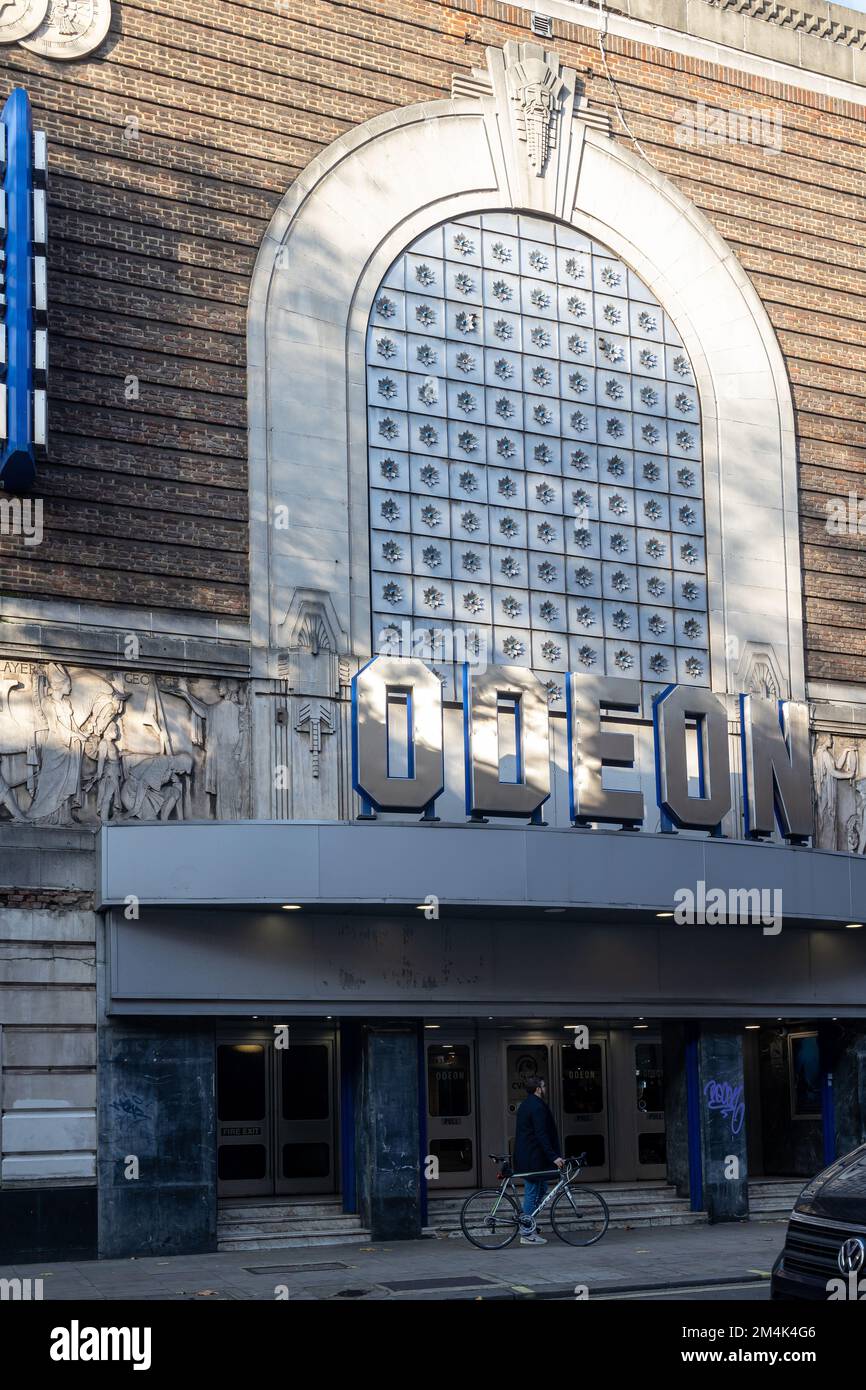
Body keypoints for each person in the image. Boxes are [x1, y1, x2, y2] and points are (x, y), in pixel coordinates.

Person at [513, 1076, 564, 1245]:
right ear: (537, 1089)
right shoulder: (536, 1107)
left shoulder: (527, 1104)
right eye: (544, 1086)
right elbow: (541, 1134)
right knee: (533, 1192)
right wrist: (554, 1156)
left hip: (531, 1156)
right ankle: (526, 1232)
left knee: (541, 1188)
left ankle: (529, 1222)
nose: (545, 1088)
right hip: (532, 1157)